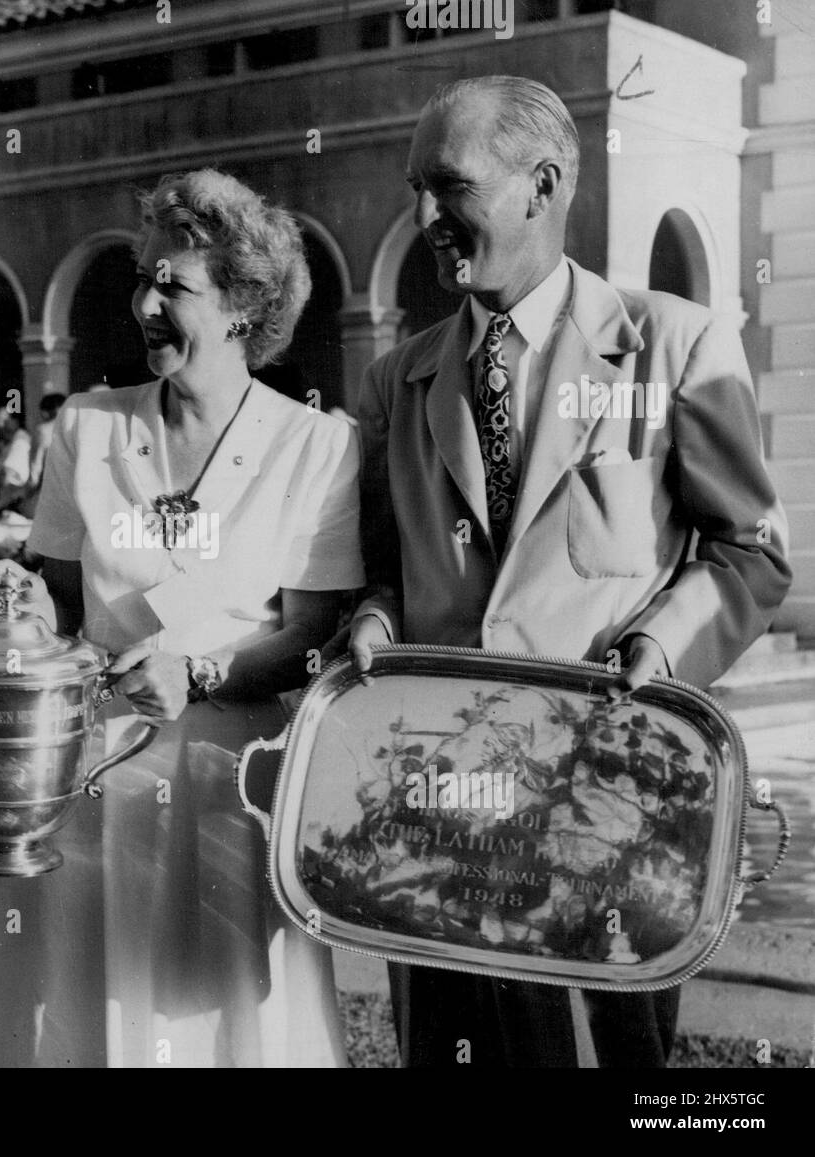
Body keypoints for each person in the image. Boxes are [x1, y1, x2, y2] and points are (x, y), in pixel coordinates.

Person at [347, 75, 791, 1067]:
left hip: (615, 802)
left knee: (610, 1060)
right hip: (441, 806)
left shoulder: (674, 346)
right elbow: (382, 570)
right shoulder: (400, 377)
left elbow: (750, 551)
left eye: (447, 184)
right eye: (414, 186)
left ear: (541, 185)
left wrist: (657, 645)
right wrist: (373, 618)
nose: (423, 216)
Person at [0, 169, 364, 1067]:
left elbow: (312, 633)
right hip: (97, 769)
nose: (145, 302)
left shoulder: (317, 445)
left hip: (241, 776)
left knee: (227, 1023)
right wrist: (25, 608)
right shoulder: (88, 427)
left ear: (241, 307)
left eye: (174, 285)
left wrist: (199, 674)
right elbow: (60, 602)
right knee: (80, 1014)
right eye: (142, 278)